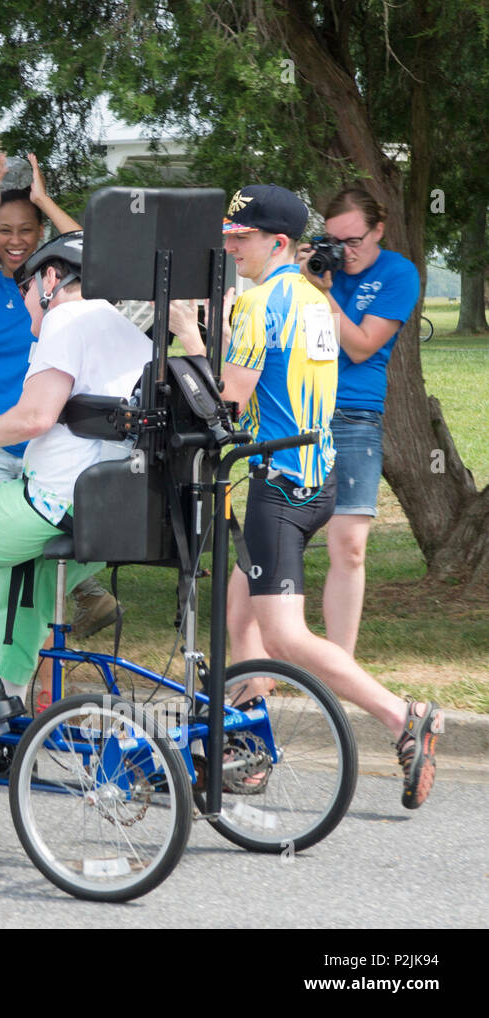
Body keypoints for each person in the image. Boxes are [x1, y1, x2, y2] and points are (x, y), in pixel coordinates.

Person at [171, 184, 442, 809]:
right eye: (229, 234)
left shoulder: (262, 301)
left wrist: (189, 335)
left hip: (277, 488)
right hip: (313, 477)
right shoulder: (310, 296)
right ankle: (247, 748)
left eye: (244, 236)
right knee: (240, 620)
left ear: (280, 242)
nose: (231, 244)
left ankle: (403, 717)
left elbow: (225, 407)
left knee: (285, 637)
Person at [0, 232, 153, 750]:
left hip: (58, 501)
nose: (22, 306)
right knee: (20, 606)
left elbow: (35, 416)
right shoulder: (126, 330)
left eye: (24, 291)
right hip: (117, 509)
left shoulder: (65, 319)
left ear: (49, 279)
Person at [0, 154, 119, 658]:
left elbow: (97, 255)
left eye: (26, 229)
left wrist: (44, 200)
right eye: (3, 230)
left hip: (48, 450)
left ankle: (21, 670)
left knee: (32, 567)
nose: (15, 240)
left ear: (41, 233)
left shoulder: (56, 291)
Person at [297, 188, 420, 656]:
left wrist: (326, 296)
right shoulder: (311, 272)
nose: (343, 252)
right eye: (333, 240)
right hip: (301, 409)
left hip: (354, 414)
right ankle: (259, 661)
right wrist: (297, 271)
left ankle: (339, 664)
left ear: (379, 231)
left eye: (353, 241)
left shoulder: (397, 273)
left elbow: (363, 344)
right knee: (275, 539)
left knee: (349, 546)